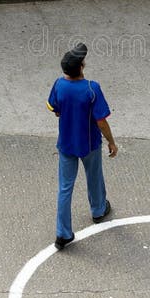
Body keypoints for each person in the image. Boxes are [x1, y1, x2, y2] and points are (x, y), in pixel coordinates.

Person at [46, 43, 118, 250]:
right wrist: (111, 141)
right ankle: (98, 210)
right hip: (89, 143)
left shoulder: (59, 85)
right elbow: (101, 121)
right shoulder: (91, 89)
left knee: (65, 188)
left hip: (66, 143)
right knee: (94, 177)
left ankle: (63, 233)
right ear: (81, 67)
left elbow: (55, 108)